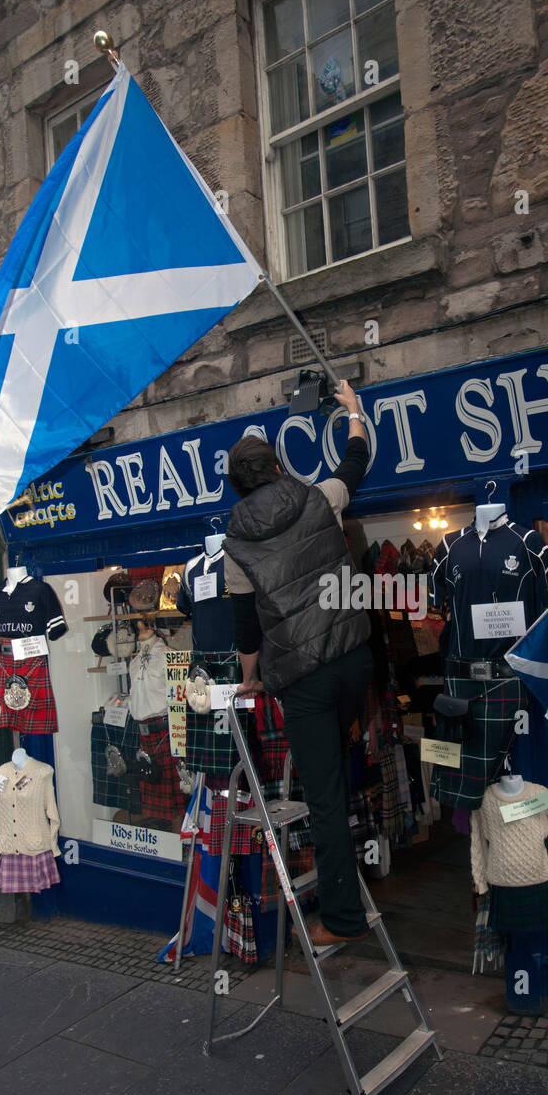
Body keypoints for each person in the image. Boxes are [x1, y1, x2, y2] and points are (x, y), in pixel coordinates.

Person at [222, 380, 374, 946]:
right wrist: (354, 413)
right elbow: (354, 462)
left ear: (237, 486)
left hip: (305, 678)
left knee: (325, 796)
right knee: (341, 754)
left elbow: (246, 626)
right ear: (279, 466)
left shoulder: (236, 540)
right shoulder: (319, 497)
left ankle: (343, 919)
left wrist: (248, 678)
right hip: (354, 659)